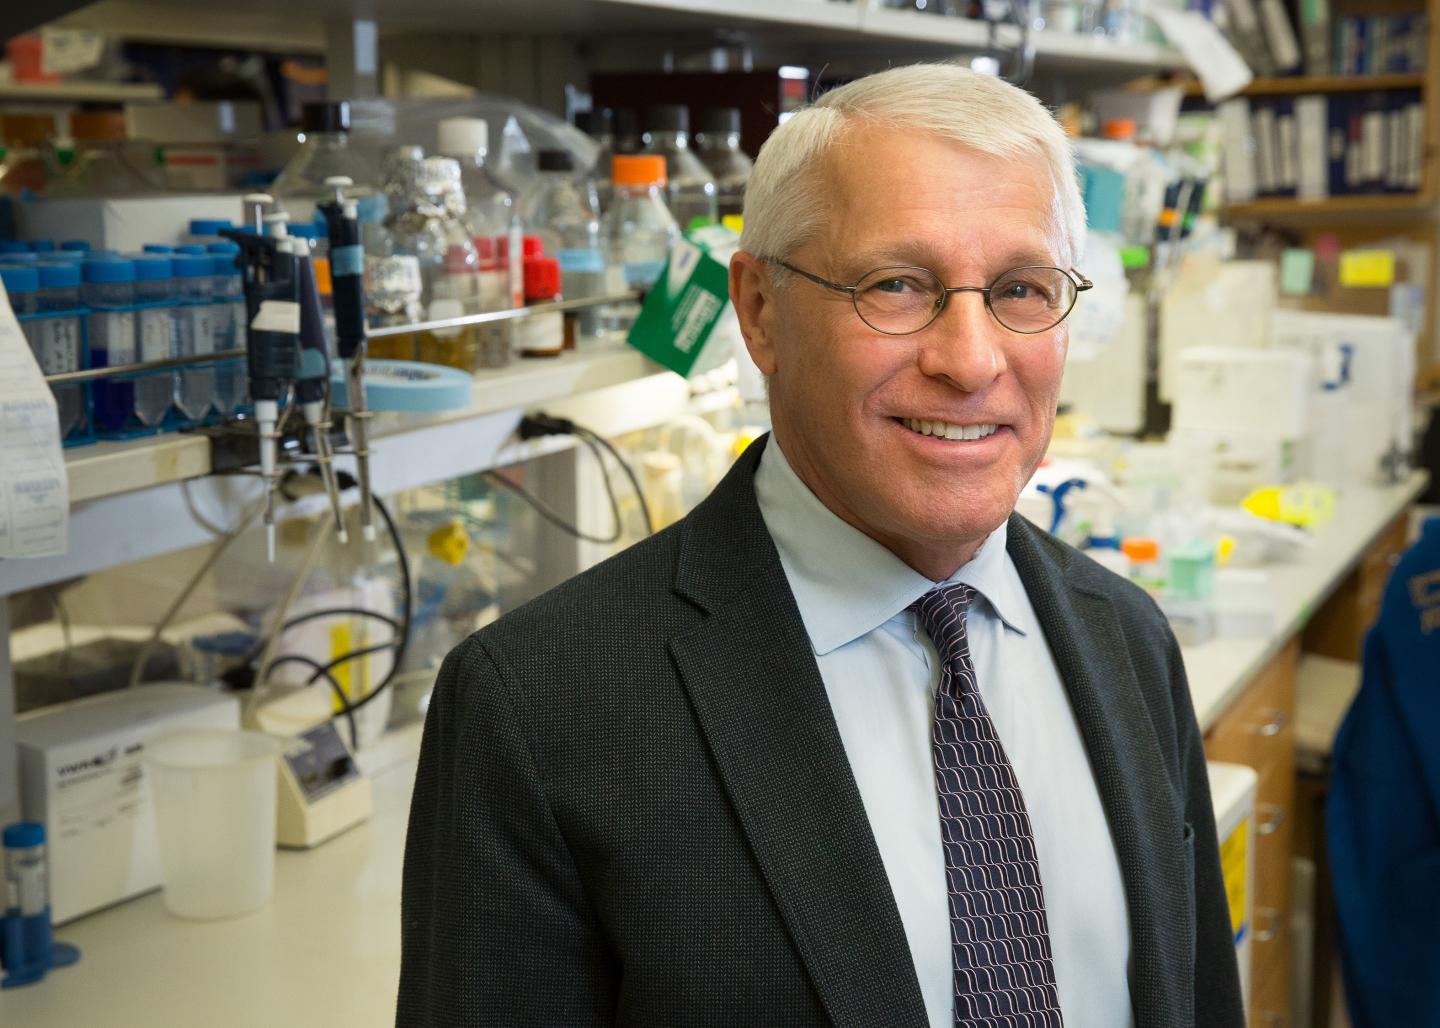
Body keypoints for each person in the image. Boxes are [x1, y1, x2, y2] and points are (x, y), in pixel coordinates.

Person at [399, 63, 1243, 1028]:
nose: (971, 361)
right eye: (897, 285)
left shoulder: (1126, 638)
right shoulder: (538, 707)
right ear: (761, 311)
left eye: (1020, 289)